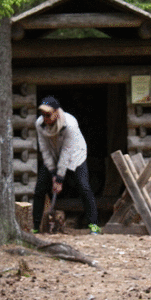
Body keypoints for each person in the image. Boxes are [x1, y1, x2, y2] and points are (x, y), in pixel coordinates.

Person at [32, 96, 100, 234]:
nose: (45, 118)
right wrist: (52, 173)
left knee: (83, 186)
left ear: (57, 113)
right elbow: (44, 149)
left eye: (48, 114)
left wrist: (59, 179)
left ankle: (93, 224)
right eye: (43, 114)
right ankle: (36, 226)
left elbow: (66, 152)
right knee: (40, 188)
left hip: (75, 155)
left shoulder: (70, 124)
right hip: (53, 155)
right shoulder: (39, 124)